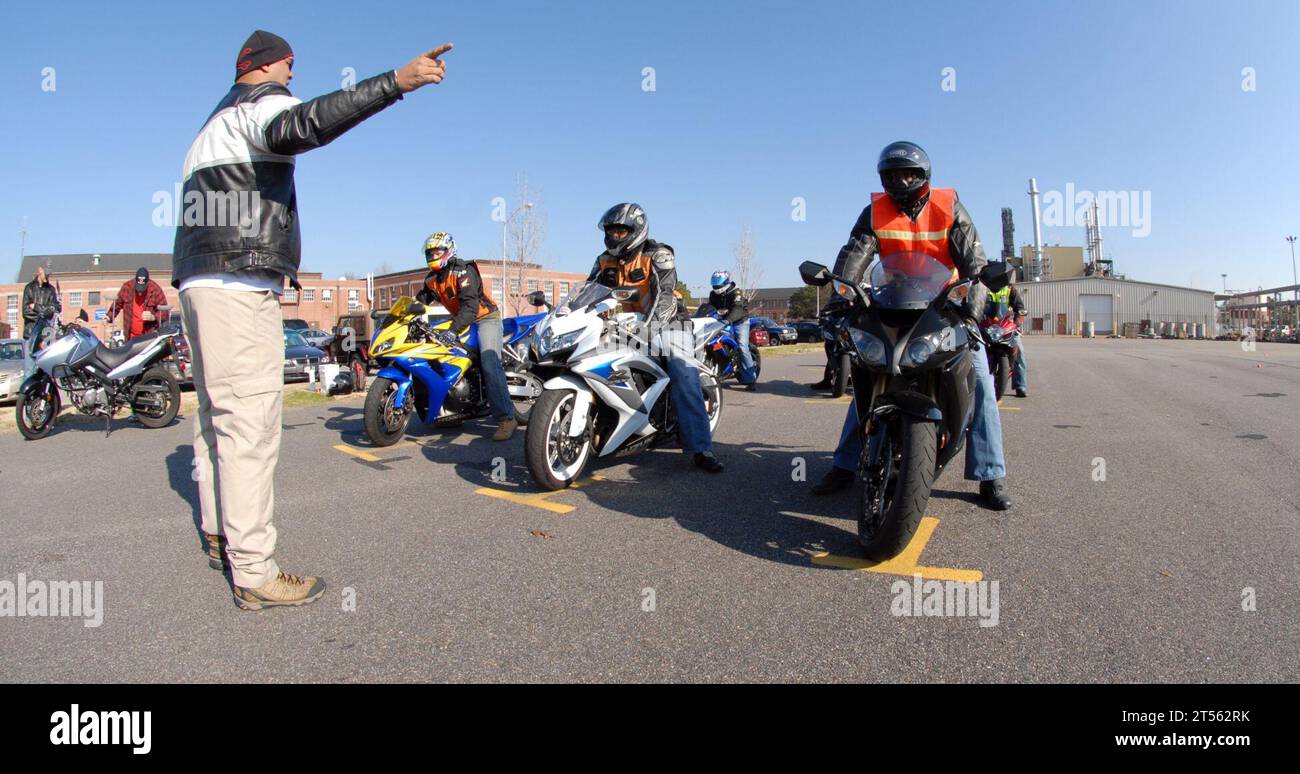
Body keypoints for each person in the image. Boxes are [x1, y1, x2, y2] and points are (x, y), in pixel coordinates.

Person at [174, 29, 454, 610]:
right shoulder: (259, 106)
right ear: (264, 65)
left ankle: (218, 531)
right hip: (237, 284)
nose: (294, 77)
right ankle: (253, 572)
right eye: (290, 66)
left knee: (215, 419)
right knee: (249, 427)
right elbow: (303, 124)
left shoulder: (209, 127)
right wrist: (396, 84)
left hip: (199, 282)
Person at [810, 141, 1012, 510]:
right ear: (883, 178)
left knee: (981, 380)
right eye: (893, 174)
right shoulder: (875, 211)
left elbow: (976, 268)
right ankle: (843, 466)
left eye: (909, 173)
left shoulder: (949, 206)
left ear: (924, 176)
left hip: (943, 302)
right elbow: (852, 258)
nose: (901, 180)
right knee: (868, 376)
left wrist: (971, 312)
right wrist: (840, 302)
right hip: (894, 300)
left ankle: (990, 474)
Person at [587, 203, 723, 473]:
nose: (614, 236)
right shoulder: (604, 259)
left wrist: (647, 328)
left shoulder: (658, 254)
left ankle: (701, 447)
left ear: (636, 230)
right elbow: (590, 290)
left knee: (682, 371)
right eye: (611, 231)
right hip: (626, 323)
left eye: (620, 231)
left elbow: (664, 294)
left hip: (669, 322)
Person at [415, 232, 518, 441]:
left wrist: (451, 331)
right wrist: (404, 312)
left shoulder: (463, 271)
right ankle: (452, 410)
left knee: (489, 362)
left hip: (484, 317)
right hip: (460, 320)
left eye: (437, 251)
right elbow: (420, 301)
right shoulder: (432, 279)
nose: (433, 255)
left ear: (449, 250)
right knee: (438, 355)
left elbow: (471, 307)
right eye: (430, 253)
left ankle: (507, 418)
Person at [703, 270, 757, 391]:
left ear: (727, 283)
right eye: (714, 286)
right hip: (720, 322)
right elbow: (710, 307)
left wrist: (727, 320)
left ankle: (750, 379)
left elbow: (738, 309)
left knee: (743, 347)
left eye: (718, 286)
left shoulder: (736, 293)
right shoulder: (713, 294)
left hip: (739, 321)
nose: (716, 288)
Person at [984, 272, 1029, 398]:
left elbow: (1020, 308)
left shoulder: (1010, 290)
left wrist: (1018, 321)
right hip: (986, 326)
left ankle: (1021, 386)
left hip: (1005, 326)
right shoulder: (983, 289)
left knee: (1019, 352)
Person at [107, 267, 168, 342]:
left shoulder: (155, 289)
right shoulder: (127, 287)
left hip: (149, 337)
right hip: (130, 337)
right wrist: (108, 317)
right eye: (138, 288)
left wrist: (153, 317)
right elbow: (117, 305)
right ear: (135, 281)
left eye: (143, 289)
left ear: (147, 282)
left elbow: (165, 312)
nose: (140, 292)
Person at [21, 266, 61, 347]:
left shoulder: (51, 289)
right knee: (31, 359)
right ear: (40, 271)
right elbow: (25, 312)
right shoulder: (29, 288)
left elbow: (53, 310)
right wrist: (43, 315)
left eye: (49, 274)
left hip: (46, 334)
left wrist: (36, 307)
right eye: (46, 274)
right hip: (31, 333)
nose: (48, 276)